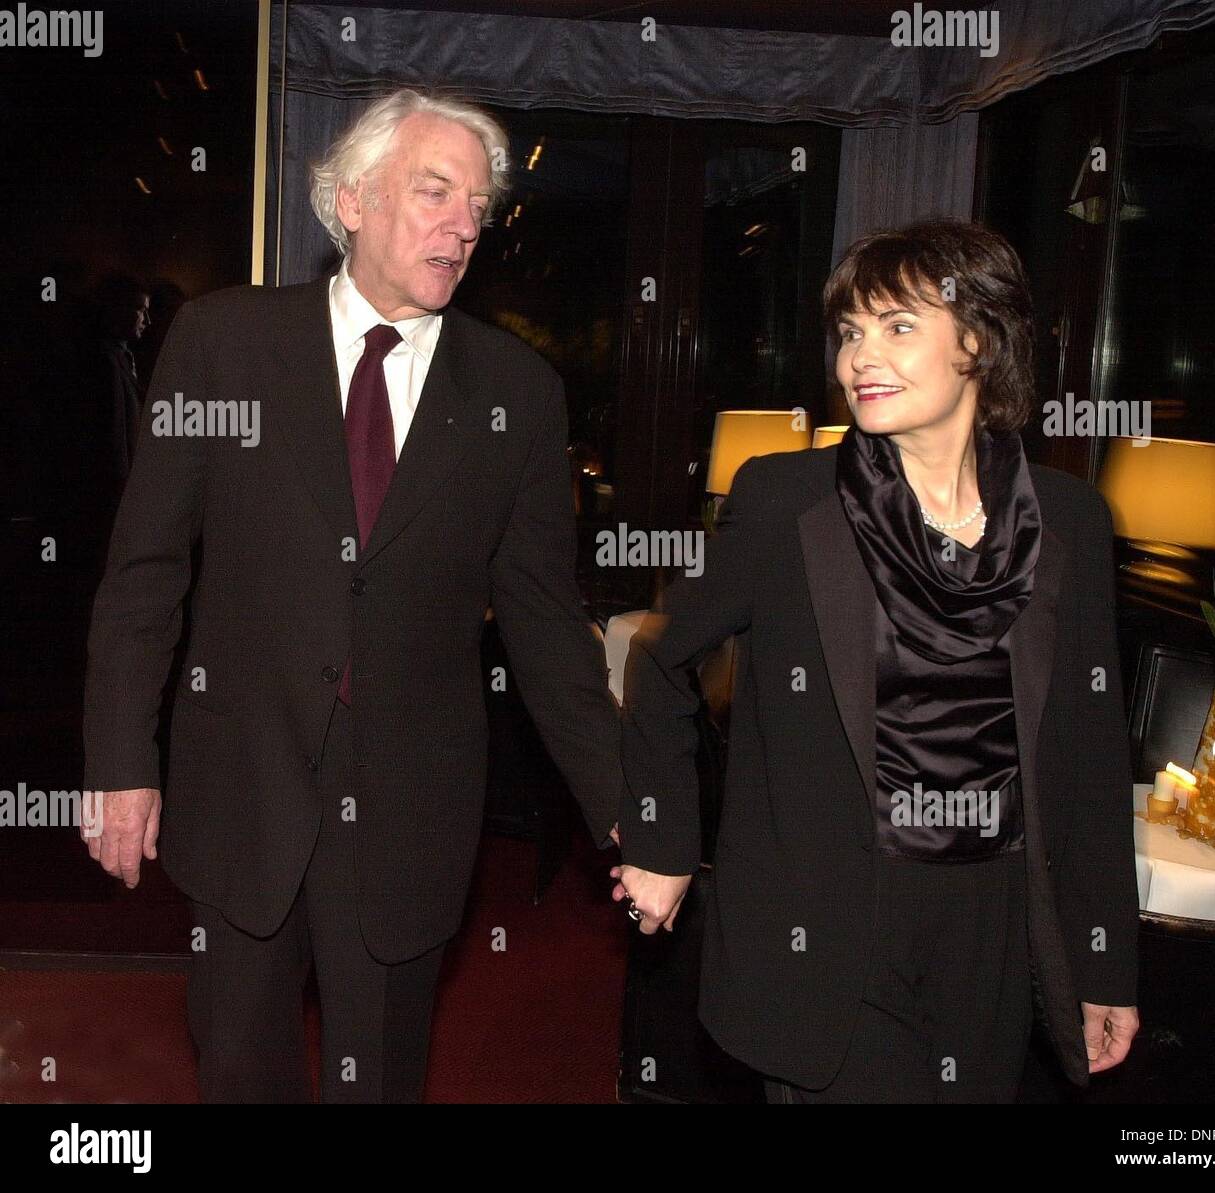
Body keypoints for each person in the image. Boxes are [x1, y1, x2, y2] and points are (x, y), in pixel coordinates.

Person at [80, 88, 645, 1102]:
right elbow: (144, 571)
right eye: (435, 191)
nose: (463, 223)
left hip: (410, 810)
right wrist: (122, 760)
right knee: (239, 1071)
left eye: (476, 204)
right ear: (348, 200)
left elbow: (546, 626)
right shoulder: (223, 343)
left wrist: (626, 808)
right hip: (241, 786)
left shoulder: (517, 392)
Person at [613, 219, 1140, 1103]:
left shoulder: (1069, 520)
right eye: (852, 331)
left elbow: (1089, 758)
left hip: (996, 927)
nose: (862, 355)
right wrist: (666, 841)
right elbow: (663, 659)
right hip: (829, 928)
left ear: (977, 340)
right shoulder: (787, 502)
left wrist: (1102, 960)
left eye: (897, 326)